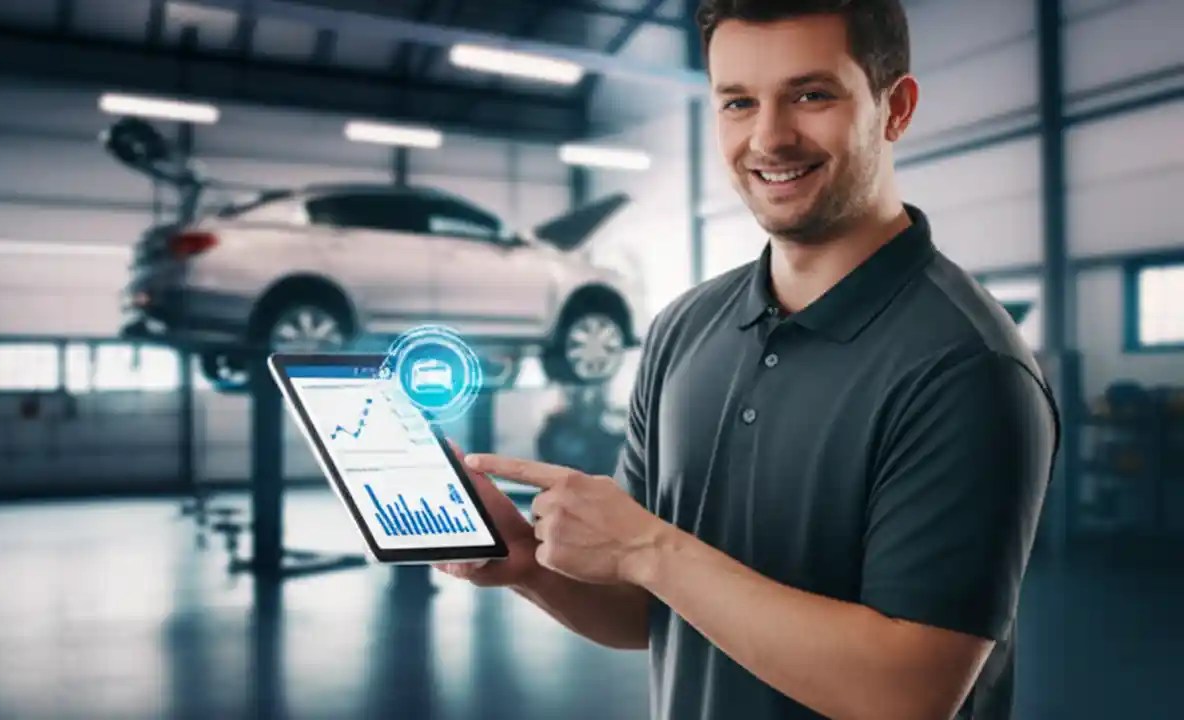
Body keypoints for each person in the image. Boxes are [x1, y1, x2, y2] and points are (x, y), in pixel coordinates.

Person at [437, 1, 1059, 718]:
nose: (770, 137)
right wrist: (526, 564)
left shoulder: (967, 367)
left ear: (896, 108)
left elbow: (907, 695)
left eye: (811, 94)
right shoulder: (682, 330)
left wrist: (649, 549)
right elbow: (644, 609)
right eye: (738, 102)